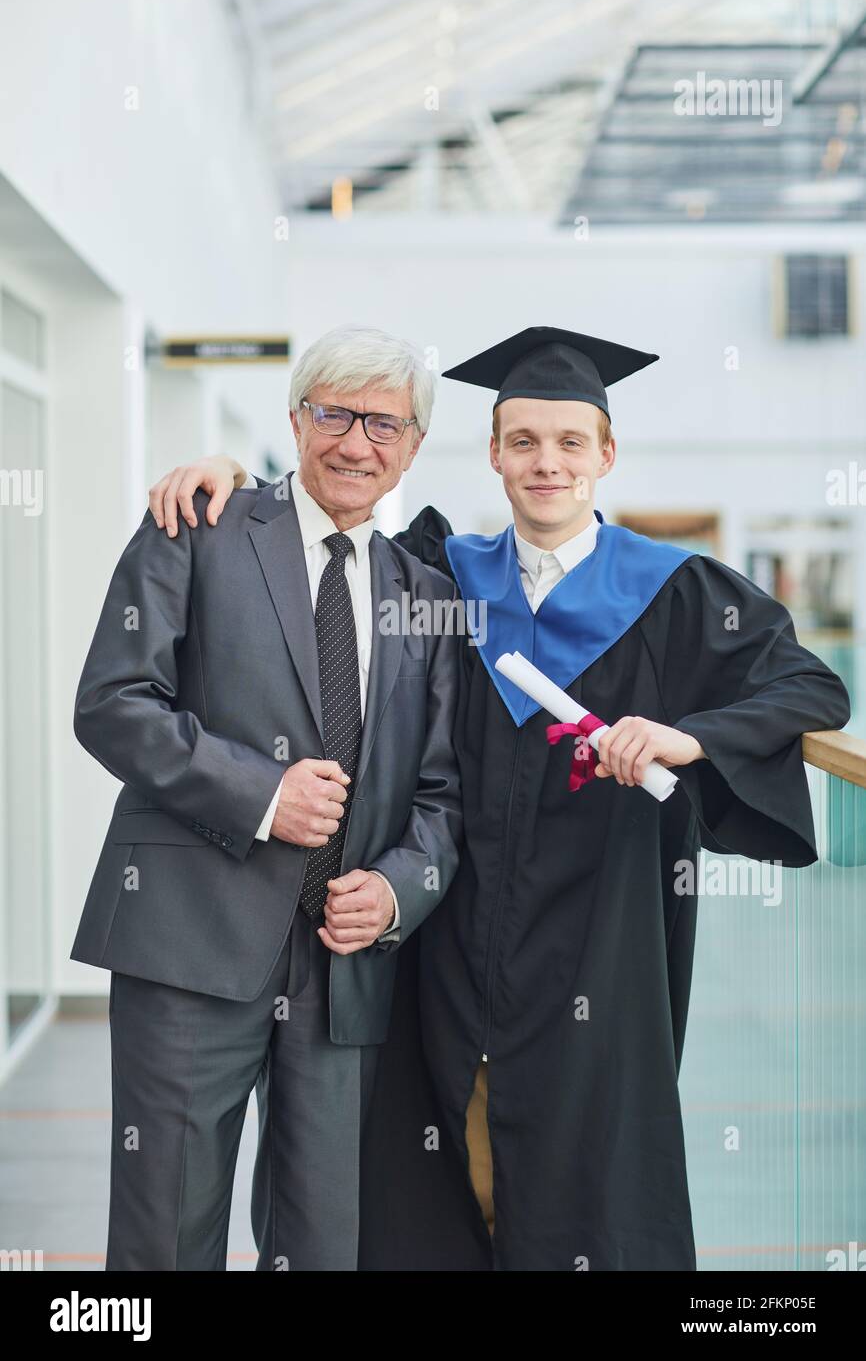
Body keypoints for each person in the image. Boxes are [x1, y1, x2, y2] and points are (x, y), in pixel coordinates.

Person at [149, 325, 851, 1271]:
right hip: (445, 939)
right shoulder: (442, 574)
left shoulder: (675, 593)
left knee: (583, 1181)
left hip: (600, 943)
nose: (546, 463)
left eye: (570, 443)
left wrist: (687, 735)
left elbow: (813, 691)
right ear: (493, 454)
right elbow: (319, 538)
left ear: (607, 453)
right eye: (523, 441)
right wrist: (231, 474)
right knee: (431, 1175)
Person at [70, 324, 463, 1271]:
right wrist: (260, 796)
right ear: (296, 419)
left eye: (383, 423)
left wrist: (401, 890)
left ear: (412, 446)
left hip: (340, 971)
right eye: (334, 414)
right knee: (167, 1233)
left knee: (321, 1244)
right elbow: (112, 705)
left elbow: (446, 795)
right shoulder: (199, 527)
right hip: (190, 945)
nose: (356, 443)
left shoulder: (428, 594)